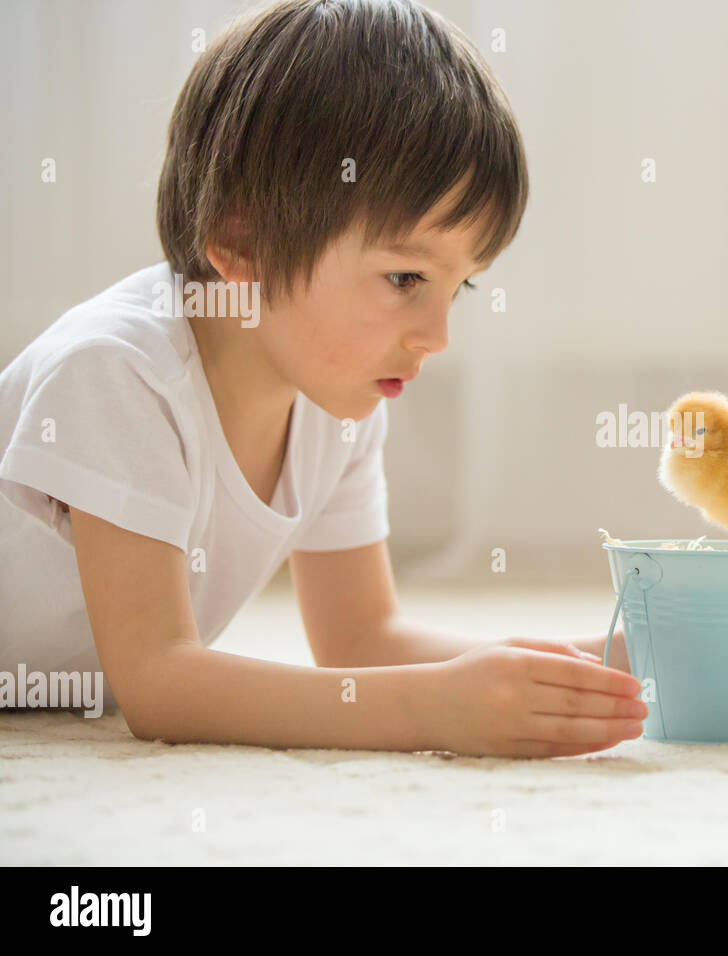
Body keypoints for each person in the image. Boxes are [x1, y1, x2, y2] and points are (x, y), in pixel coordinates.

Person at [0, 0, 643, 757]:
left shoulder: (338, 401)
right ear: (243, 246)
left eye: (458, 286)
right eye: (405, 277)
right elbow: (159, 683)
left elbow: (362, 636)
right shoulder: (118, 373)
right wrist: (434, 711)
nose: (437, 337)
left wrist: (601, 665)